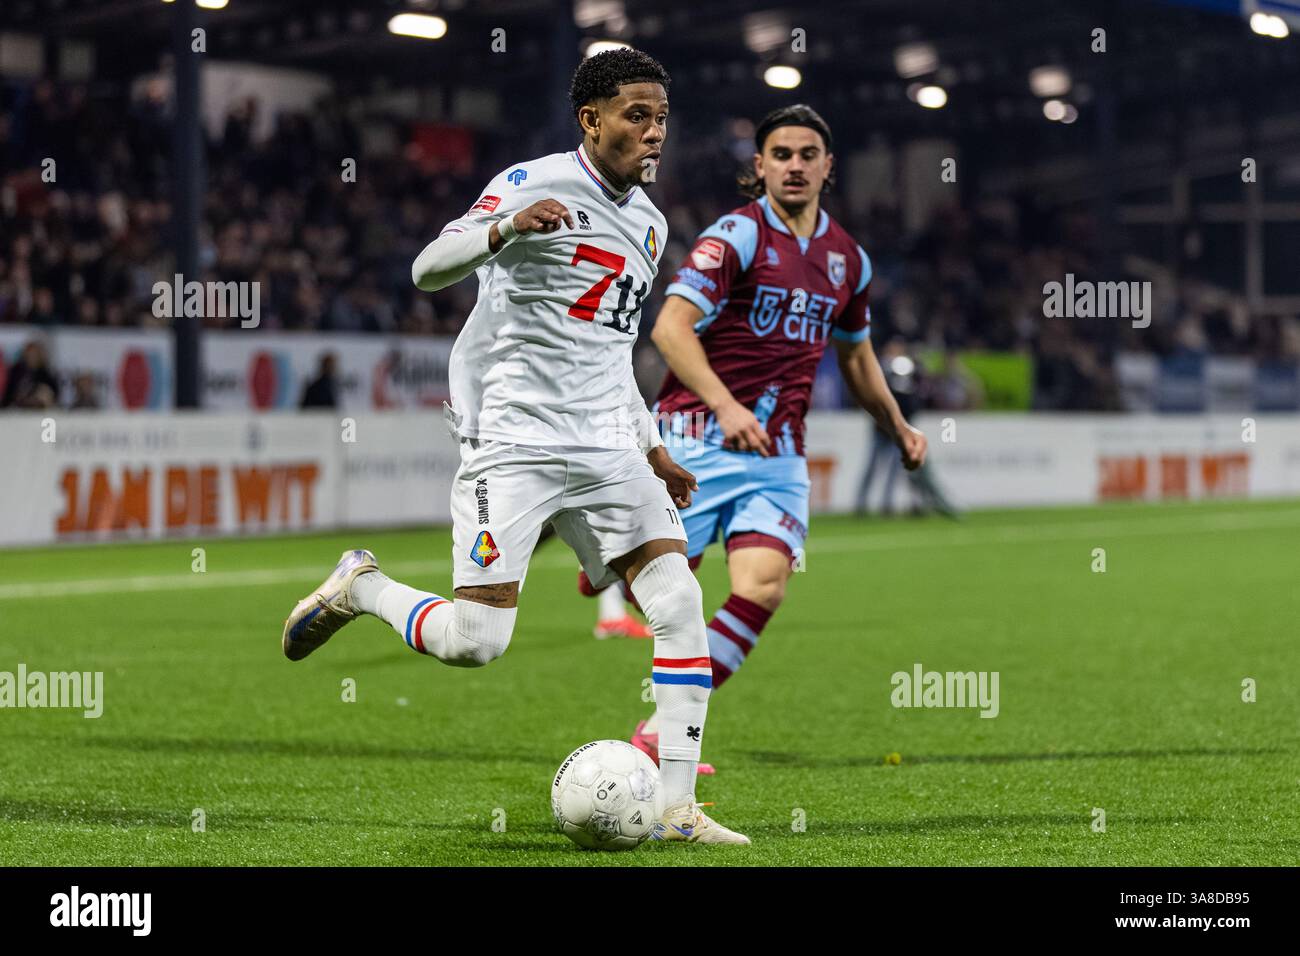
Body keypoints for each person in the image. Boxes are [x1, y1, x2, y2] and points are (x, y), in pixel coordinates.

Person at [280, 49, 747, 845]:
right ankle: (362, 588)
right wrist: (500, 229)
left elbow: (609, 350)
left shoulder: (650, 221)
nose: (653, 132)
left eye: (662, 117)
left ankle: (675, 809)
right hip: (515, 440)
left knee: (678, 607)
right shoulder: (532, 183)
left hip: (606, 445)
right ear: (590, 119)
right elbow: (427, 270)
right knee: (477, 644)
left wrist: (651, 444)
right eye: (636, 115)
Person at [616, 105, 927, 770]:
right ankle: (608, 563)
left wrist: (896, 423)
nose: (794, 165)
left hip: (778, 454)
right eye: (780, 154)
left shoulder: (849, 260)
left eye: (807, 154)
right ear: (759, 167)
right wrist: (726, 406)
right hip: (696, 440)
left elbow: (857, 356)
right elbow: (669, 329)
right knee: (666, 596)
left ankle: (659, 737)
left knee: (762, 587)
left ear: (827, 167)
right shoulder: (734, 237)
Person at [1, 340, 59, 409]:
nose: (32, 357)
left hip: (40, 409)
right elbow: (9, 392)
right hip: (16, 408)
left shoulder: (45, 372)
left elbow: (53, 392)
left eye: (35, 354)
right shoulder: (16, 370)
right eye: (30, 354)